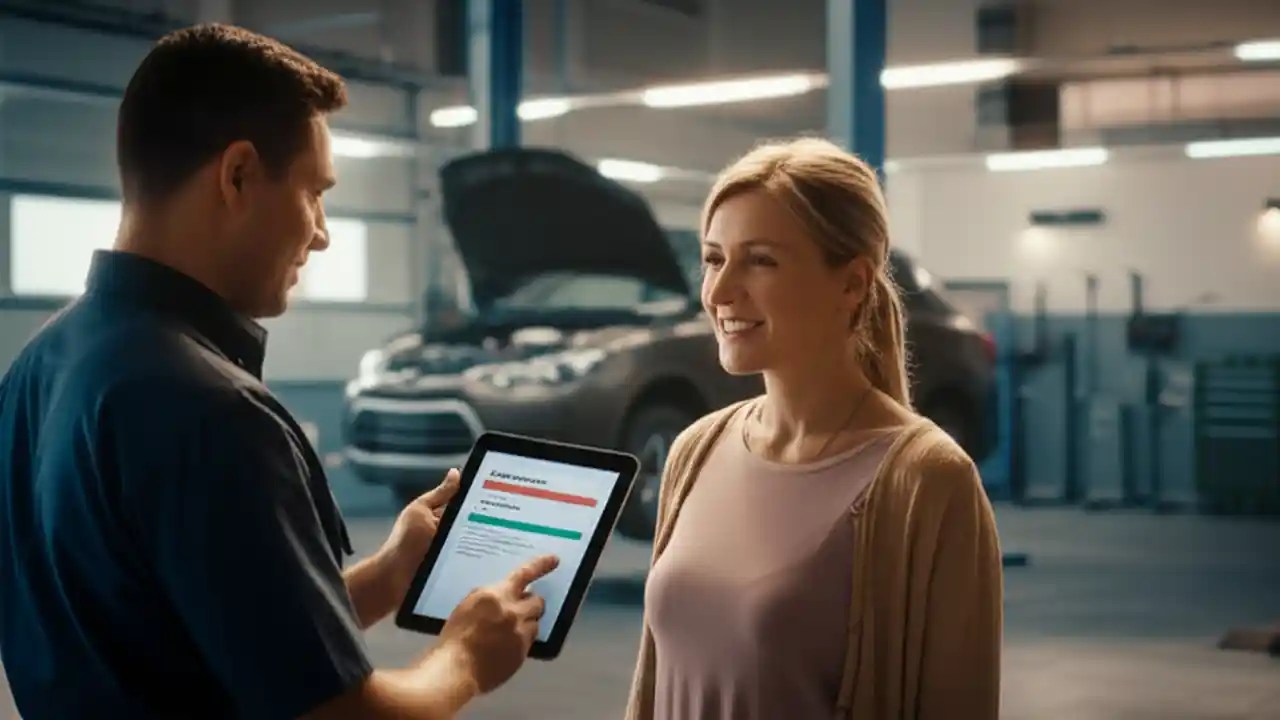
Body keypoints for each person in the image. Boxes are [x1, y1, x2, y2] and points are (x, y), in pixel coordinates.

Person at [0, 24, 557, 720]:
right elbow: (339, 714)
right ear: (237, 175)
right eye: (314, 192)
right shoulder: (212, 411)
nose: (320, 232)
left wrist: (388, 577)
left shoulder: (37, 368)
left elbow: (209, 636)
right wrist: (466, 657)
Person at [624, 138, 1003, 720]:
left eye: (760, 261)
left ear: (852, 283)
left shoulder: (928, 481)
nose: (720, 292)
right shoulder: (695, 451)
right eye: (714, 259)